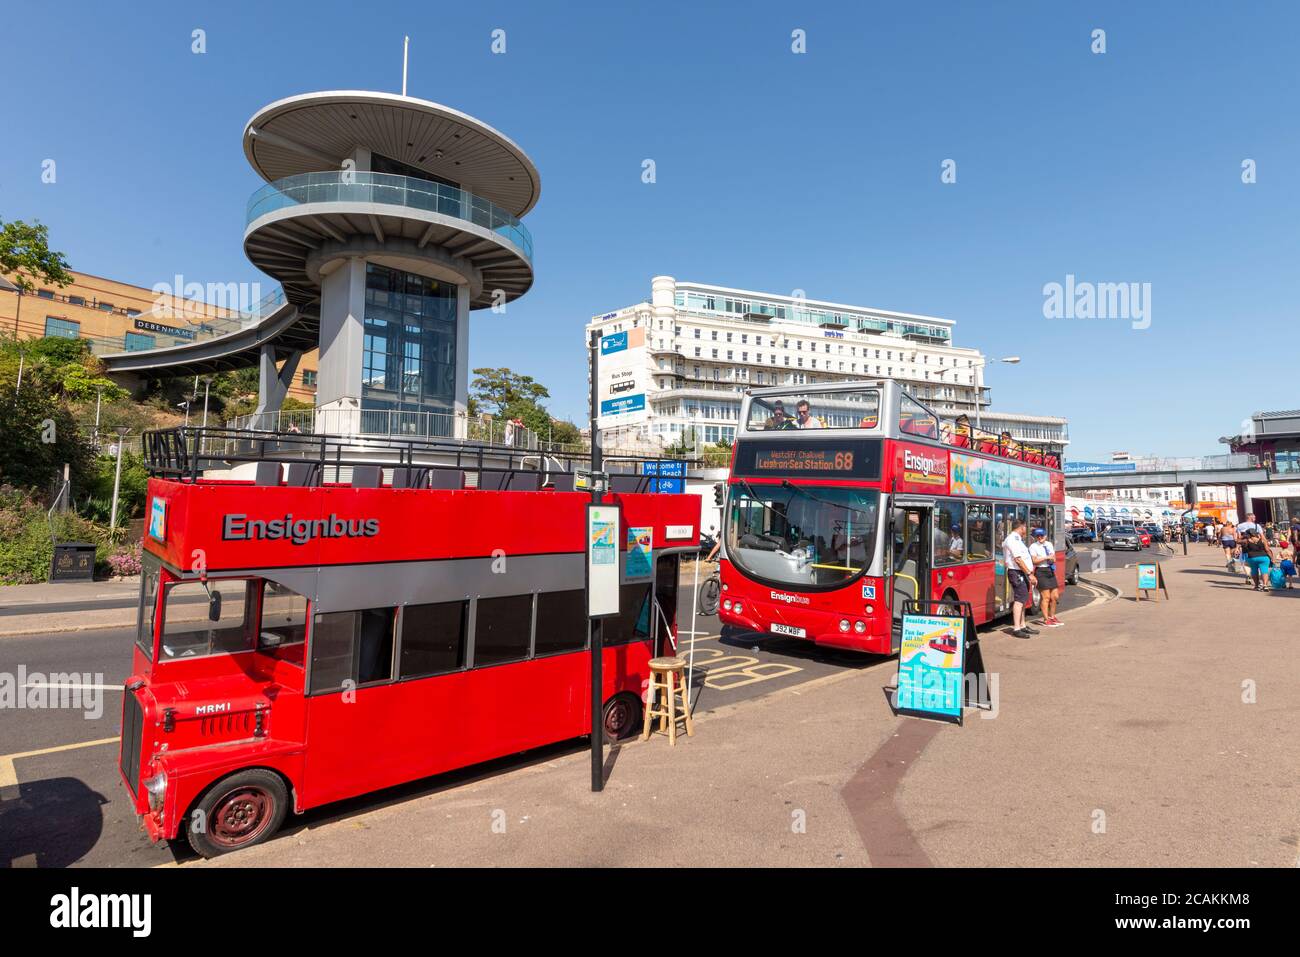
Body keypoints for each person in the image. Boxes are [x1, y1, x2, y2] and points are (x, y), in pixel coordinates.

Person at [1002, 519, 1038, 638]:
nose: (1027, 530)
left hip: (1021, 572)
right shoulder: (1012, 540)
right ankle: (1017, 628)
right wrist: (1029, 574)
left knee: (1023, 598)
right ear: (1021, 527)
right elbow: (1018, 559)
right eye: (1025, 527)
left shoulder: (1017, 540)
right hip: (1017, 572)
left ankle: (1022, 625)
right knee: (1019, 599)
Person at [1028, 528, 1062, 627]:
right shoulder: (1033, 547)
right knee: (1046, 597)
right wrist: (1046, 558)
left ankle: (1052, 617)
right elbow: (1034, 561)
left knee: (1055, 596)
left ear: (1045, 536)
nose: (1039, 538)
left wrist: (1051, 559)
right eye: (1037, 536)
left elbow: (1054, 558)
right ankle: (1046, 619)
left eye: (1041, 536)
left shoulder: (1049, 545)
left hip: (1050, 570)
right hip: (1040, 571)